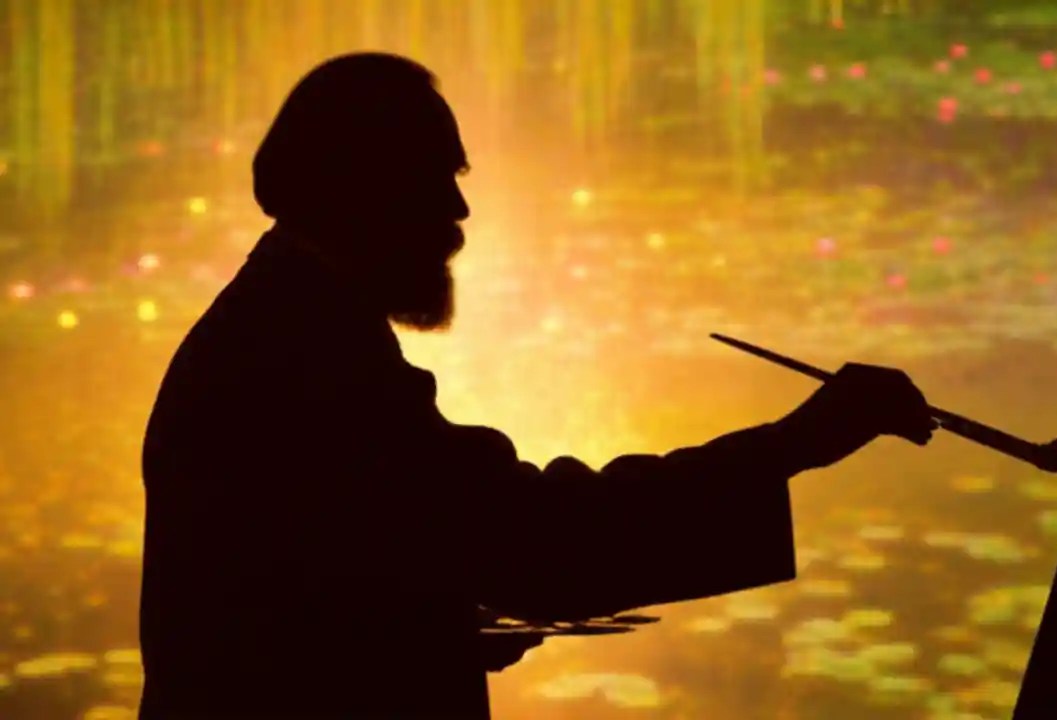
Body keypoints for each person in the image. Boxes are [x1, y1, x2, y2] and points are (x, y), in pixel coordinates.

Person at [138, 52, 936, 719]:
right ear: (362, 188)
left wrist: (434, 622)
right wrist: (790, 447)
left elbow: (327, 588)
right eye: (434, 178)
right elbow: (531, 537)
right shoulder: (303, 357)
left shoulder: (288, 324)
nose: (459, 208)